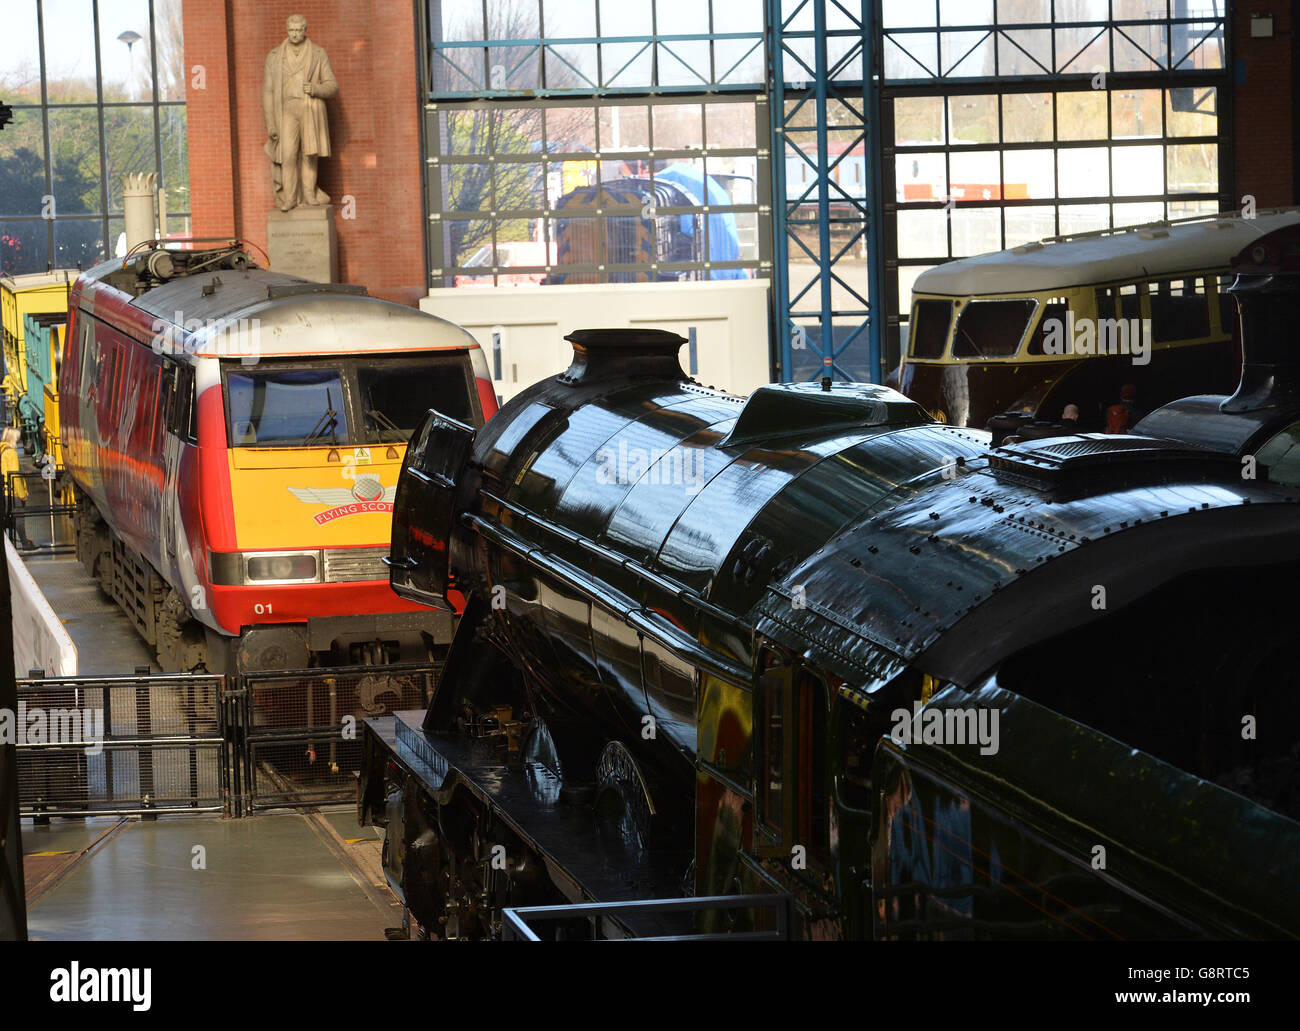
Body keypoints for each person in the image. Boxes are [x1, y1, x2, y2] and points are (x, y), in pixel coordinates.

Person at [263, 14, 339, 211]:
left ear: (305, 31)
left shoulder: (318, 54)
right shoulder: (274, 57)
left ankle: (310, 195)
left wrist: (315, 88)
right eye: (291, 31)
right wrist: (271, 123)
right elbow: (268, 92)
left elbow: (332, 86)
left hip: (309, 109)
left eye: (298, 31)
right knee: (287, 155)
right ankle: (290, 198)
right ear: (287, 30)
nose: (294, 34)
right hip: (286, 111)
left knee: (309, 154)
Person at [1, 426, 35, 550]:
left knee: (8, 518)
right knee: (19, 519)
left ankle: (14, 542)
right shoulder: (12, 453)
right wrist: (22, 494)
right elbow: (15, 476)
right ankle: (25, 544)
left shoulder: (2, 450)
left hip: (4, 491)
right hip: (13, 492)